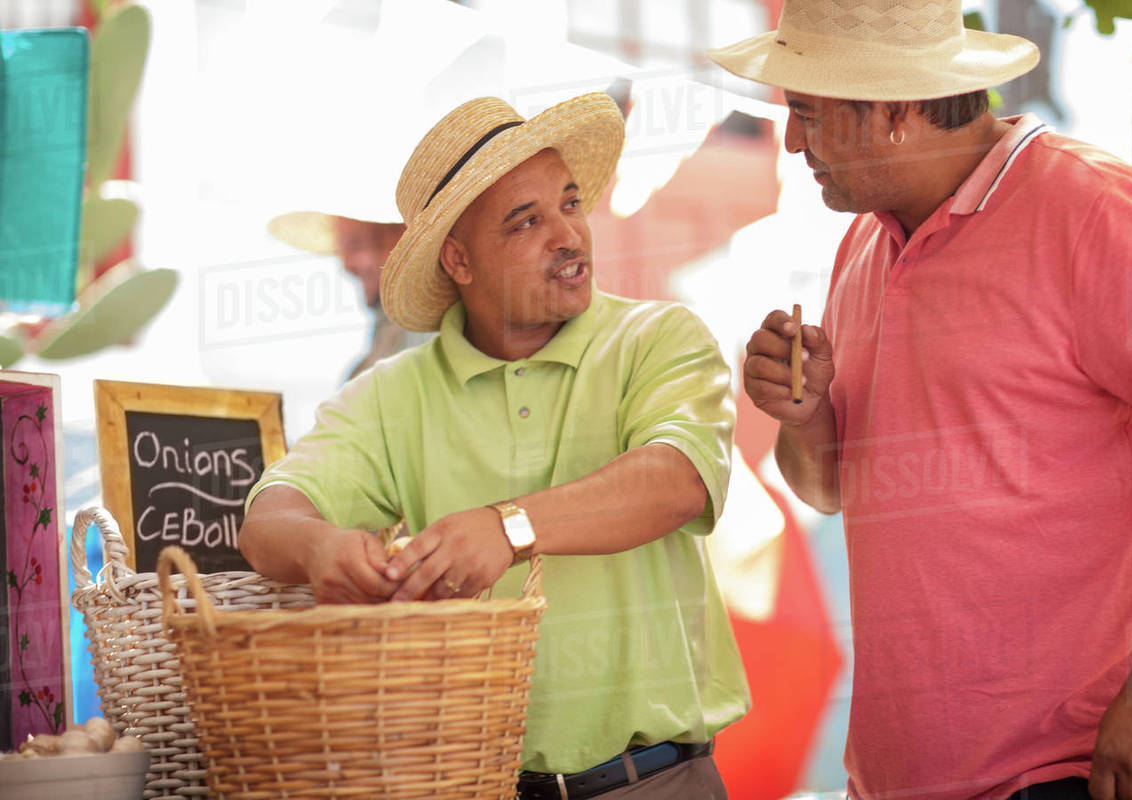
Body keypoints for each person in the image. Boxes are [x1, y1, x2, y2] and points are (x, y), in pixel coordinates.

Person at [709, 2, 1132, 800]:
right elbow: (832, 489)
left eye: (806, 112)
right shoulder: (863, 242)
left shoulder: (1091, 207)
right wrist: (803, 414)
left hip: (1074, 773)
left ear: (895, 112)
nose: (791, 141)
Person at [239, 92, 750, 799]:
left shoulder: (659, 339)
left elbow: (677, 481)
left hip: (659, 781)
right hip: (469, 783)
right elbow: (268, 520)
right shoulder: (391, 394)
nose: (569, 235)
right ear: (459, 260)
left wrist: (509, 526)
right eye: (527, 222)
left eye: (570, 204)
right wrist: (320, 549)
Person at [268, 209, 427, 380]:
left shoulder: (424, 326)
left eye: (355, 244)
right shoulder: (389, 327)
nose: (347, 265)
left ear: (403, 236)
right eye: (342, 250)